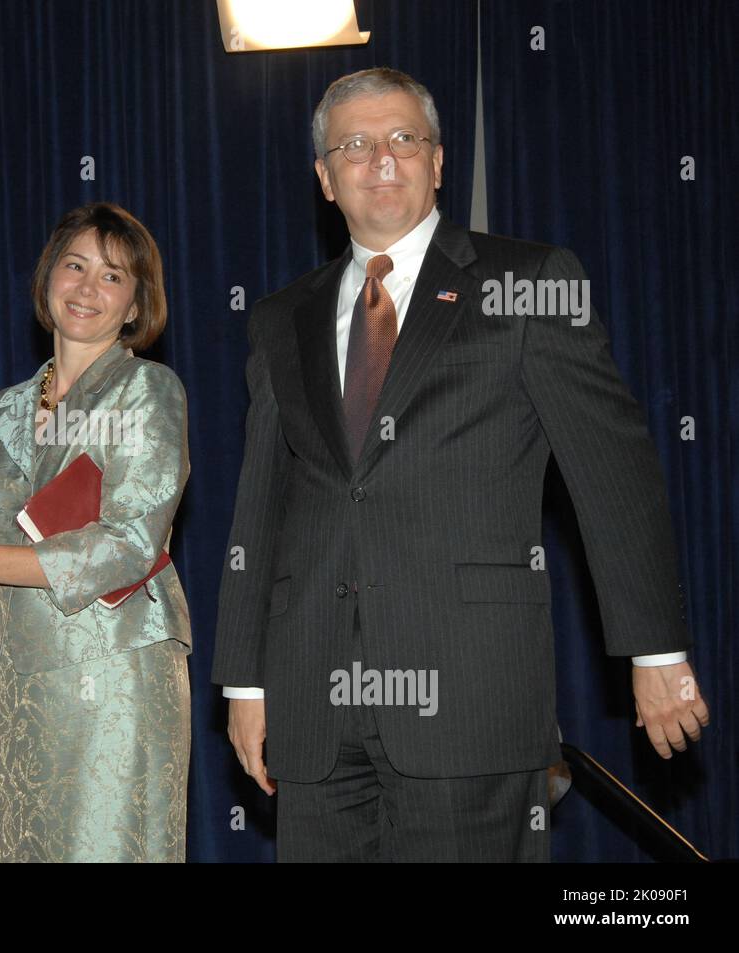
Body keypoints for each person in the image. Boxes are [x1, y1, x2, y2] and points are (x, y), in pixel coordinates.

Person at [212, 68, 709, 862]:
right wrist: (244, 682)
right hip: (313, 706)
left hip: (469, 692)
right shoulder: (281, 319)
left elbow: (614, 477)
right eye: (356, 145)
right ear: (324, 177)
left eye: (404, 138)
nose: (382, 159)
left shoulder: (531, 282)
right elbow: (262, 502)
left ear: (439, 161)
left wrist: (655, 654)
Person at [0, 202, 191, 862]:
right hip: (17, 679)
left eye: (112, 277)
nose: (86, 287)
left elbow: (132, 541)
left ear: (136, 306)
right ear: (46, 278)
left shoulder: (146, 390)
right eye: (75, 265)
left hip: (113, 674)